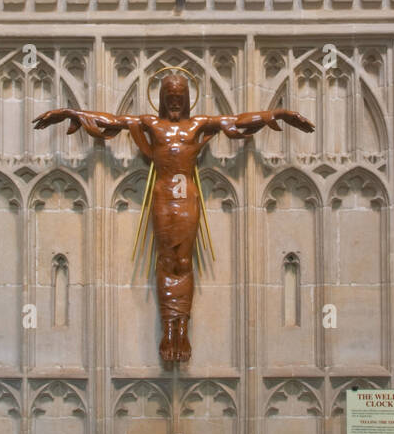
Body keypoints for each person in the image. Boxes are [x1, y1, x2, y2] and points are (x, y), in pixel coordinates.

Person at [34, 73, 313, 362]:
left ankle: (183, 327)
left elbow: (238, 121)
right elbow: (112, 122)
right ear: (163, 99)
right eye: (171, 97)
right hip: (163, 197)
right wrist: (71, 113)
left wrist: (277, 114)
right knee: (166, 259)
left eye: (180, 97)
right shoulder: (151, 124)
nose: (176, 102)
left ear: (187, 98)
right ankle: (169, 329)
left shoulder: (199, 124)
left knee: (183, 260)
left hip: (187, 197)